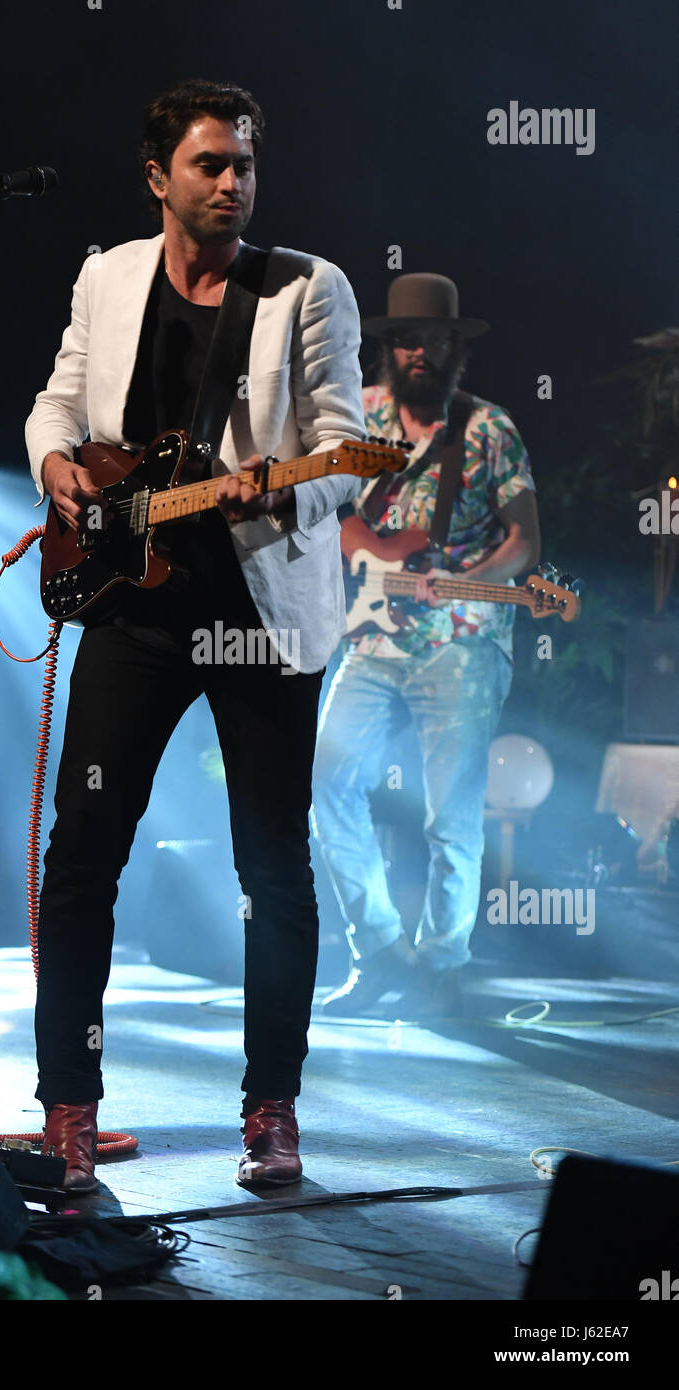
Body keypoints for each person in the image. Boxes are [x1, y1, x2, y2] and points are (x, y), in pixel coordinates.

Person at [24, 79, 366, 1191]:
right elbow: (56, 402)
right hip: (134, 600)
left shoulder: (306, 289)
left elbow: (343, 445)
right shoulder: (107, 273)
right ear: (157, 175)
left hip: (259, 612)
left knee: (272, 864)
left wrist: (274, 492)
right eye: (210, 165)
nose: (231, 184)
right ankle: (67, 1111)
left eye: (244, 166)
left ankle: (271, 1110)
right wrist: (57, 466)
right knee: (79, 857)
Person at [311, 273, 540, 1018]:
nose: (419, 351)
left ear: (455, 347)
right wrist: (360, 547)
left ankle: (441, 966)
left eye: (433, 339)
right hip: (374, 637)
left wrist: (472, 578)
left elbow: (526, 542)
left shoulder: (489, 429)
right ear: (388, 347)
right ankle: (378, 952)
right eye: (406, 339)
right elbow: (331, 514)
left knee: (452, 816)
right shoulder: (361, 418)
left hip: (462, 638)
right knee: (327, 782)